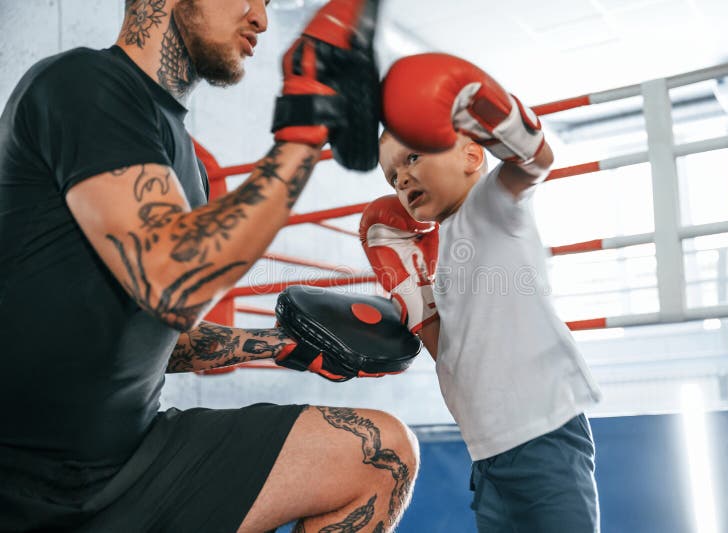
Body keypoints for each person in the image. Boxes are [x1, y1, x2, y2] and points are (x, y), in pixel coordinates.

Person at [0, 0, 419, 531]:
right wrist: (306, 127)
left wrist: (286, 346)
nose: (262, 19)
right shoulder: (80, 85)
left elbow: (162, 342)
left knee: (381, 454)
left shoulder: (186, 163)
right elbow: (172, 284)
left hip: (135, 461)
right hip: (21, 480)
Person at [360, 53, 603, 532]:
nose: (402, 177)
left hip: (544, 434)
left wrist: (497, 118)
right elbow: (452, 355)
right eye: (392, 176)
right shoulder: (443, 250)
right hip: (487, 455)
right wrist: (414, 301)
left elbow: (535, 163)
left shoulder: (490, 205)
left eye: (413, 157)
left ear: (473, 156)